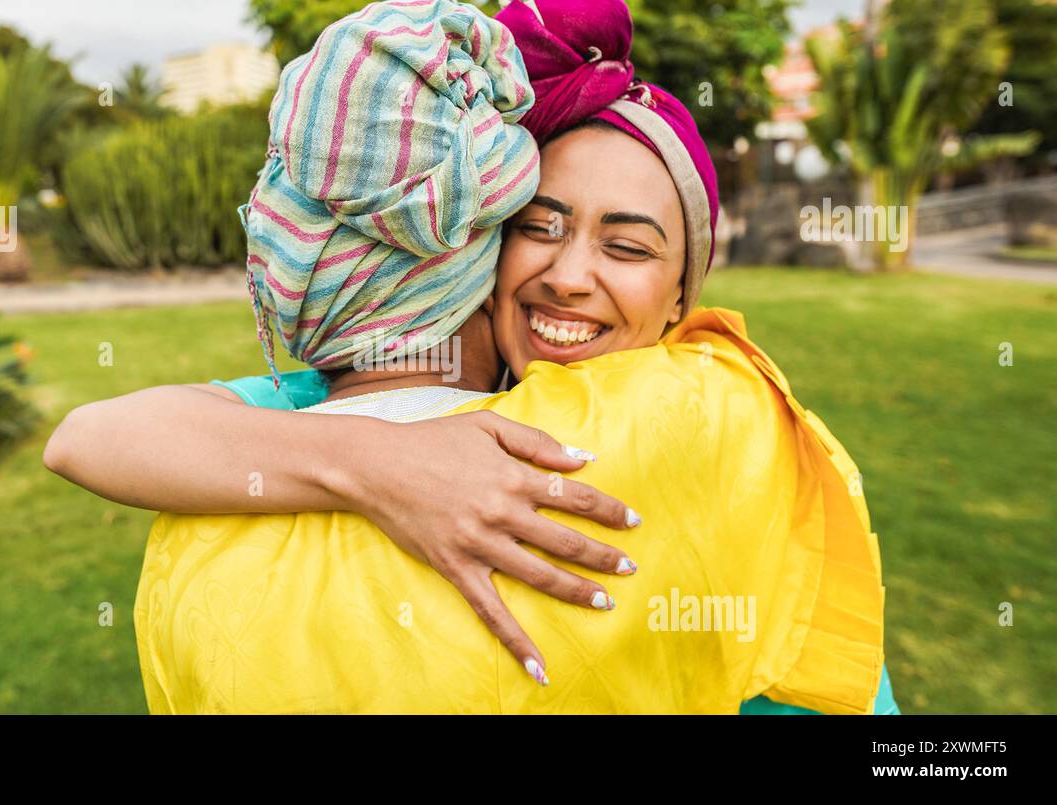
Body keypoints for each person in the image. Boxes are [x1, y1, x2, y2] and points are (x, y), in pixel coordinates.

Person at [45, 0, 893, 713]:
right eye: (538, 227)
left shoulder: (710, 433)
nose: (568, 277)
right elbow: (88, 436)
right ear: (480, 249)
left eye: (627, 248)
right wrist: (384, 464)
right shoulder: (315, 413)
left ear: (684, 294)